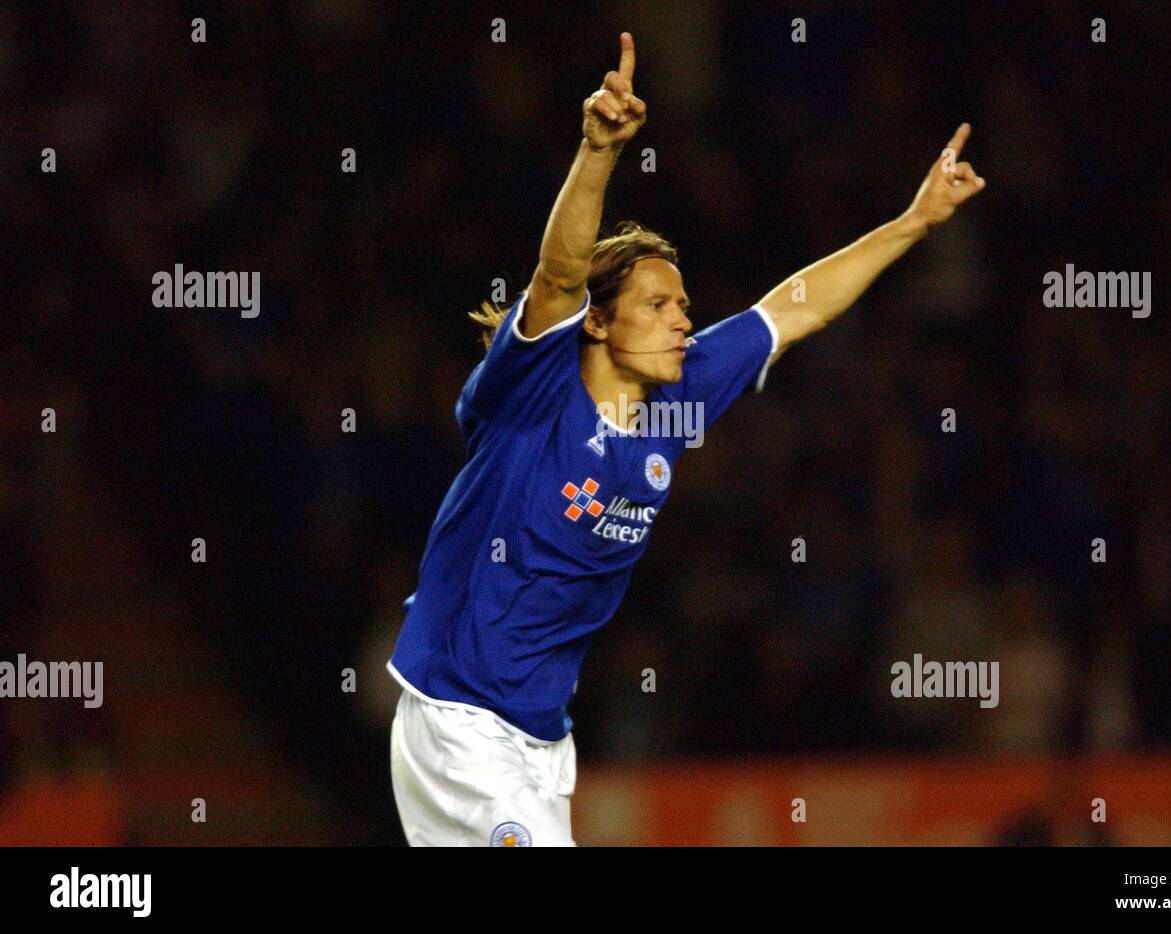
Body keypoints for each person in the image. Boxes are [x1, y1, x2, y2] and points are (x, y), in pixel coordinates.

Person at [388, 31, 986, 846]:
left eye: (684, 305)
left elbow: (794, 307)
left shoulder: (680, 396)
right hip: (457, 720)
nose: (684, 319)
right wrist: (599, 153)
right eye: (661, 304)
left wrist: (914, 221)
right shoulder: (533, 392)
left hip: (541, 740)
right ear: (597, 322)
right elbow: (559, 274)